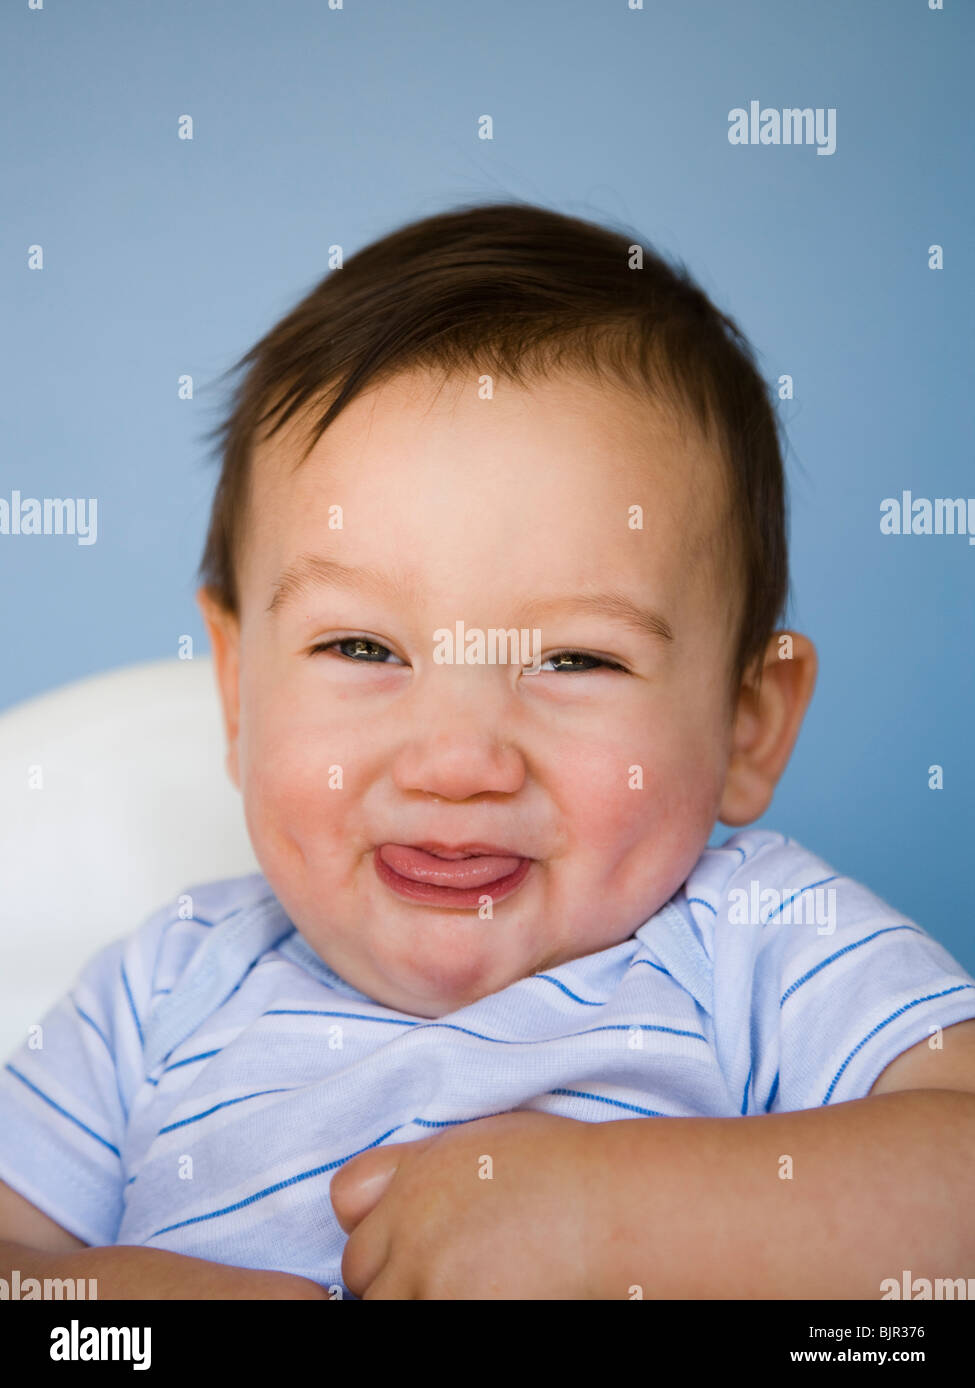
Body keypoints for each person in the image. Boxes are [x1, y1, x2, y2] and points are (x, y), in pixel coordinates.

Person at [2, 202, 973, 1300]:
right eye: (362, 644)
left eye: (574, 661)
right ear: (237, 686)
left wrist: (618, 1218)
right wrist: (98, 1309)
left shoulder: (760, 945)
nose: (456, 761)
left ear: (748, 720)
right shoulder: (162, 988)